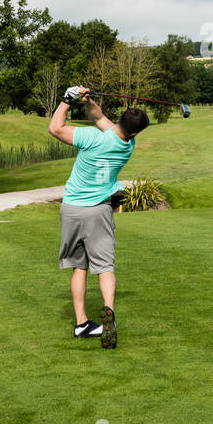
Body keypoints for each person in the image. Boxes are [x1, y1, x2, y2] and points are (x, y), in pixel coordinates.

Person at [48, 87, 149, 348]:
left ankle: (82, 323)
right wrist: (88, 101)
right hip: (98, 211)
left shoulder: (91, 138)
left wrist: (67, 100)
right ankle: (108, 314)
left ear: (121, 118)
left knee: (78, 266)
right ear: (135, 131)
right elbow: (97, 116)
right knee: (104, 266)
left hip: (71, 209)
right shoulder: (128, 145)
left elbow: (55, 128)